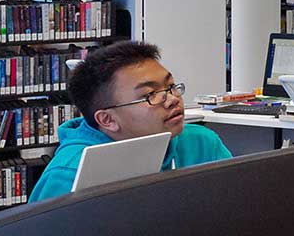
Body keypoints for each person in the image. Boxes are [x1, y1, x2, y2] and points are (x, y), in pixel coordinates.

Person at [28, 40, 234, 204]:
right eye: (150, 95)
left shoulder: (201, 142)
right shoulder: (70, 174)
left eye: (170, 86)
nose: (172, 99)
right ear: (107, 119)